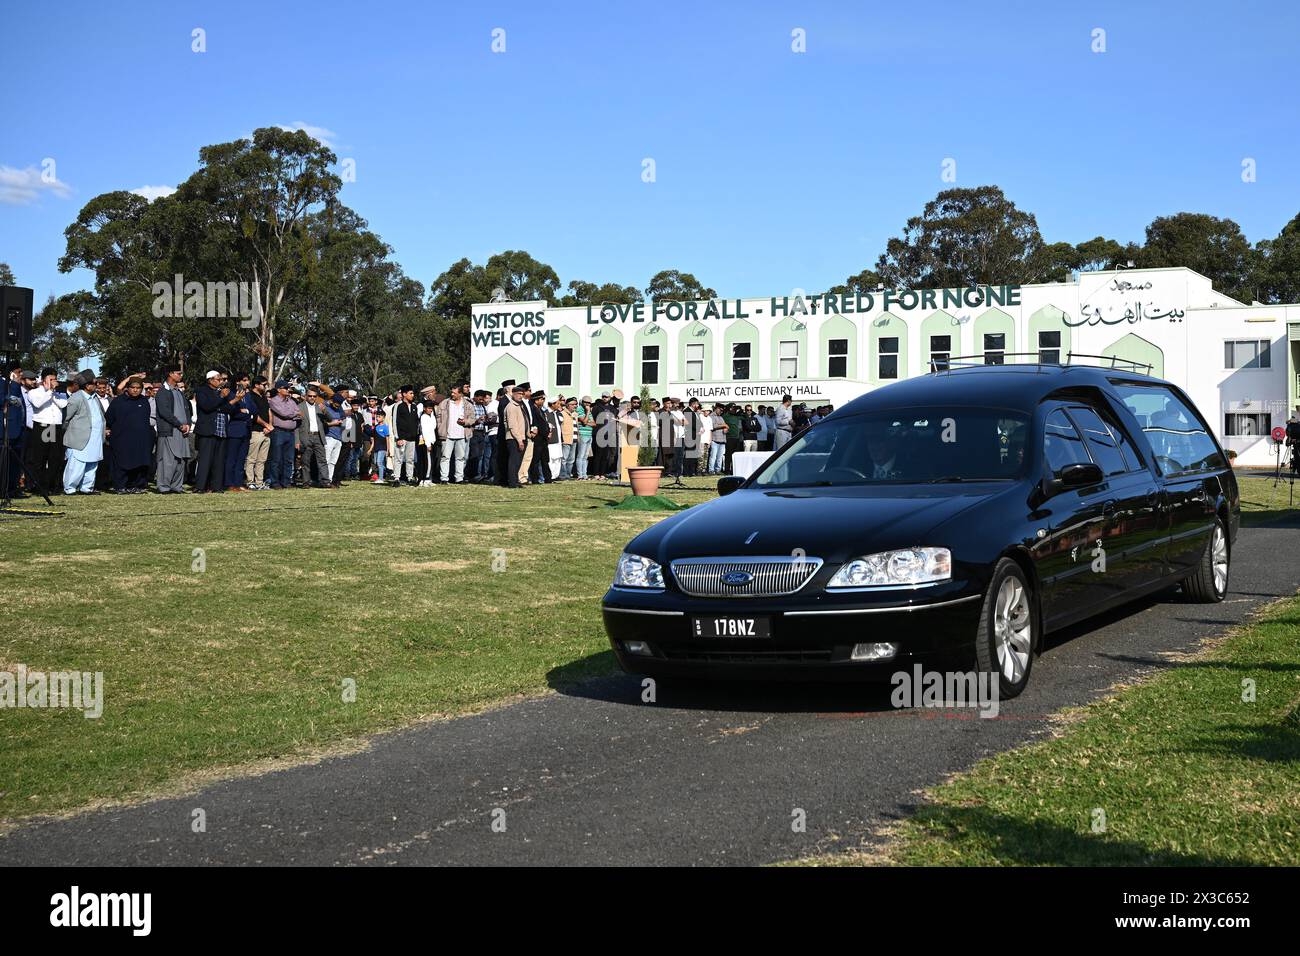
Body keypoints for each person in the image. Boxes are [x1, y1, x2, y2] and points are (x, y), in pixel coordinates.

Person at [193, 370, 240, 493]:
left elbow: (226, 409)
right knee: (205, 460)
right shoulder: (202, 391)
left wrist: (235, 400)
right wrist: (221, 397)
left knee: (219, 461)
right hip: (207, 430)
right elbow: (207, 406)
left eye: (222, 380)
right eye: (219, 379)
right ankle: (200, 486)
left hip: (221, 429)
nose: (221, 382)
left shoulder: (220, 392)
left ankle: (217, 486)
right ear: (210, 380)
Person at [105, 376, 153, 493]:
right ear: (128, 388)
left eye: (138, 388)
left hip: (141, 439)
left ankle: (137, 485)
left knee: (140, 463)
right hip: (122, 438)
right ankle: (120, 486)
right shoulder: (118, 401)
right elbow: (109, 418)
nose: (135, 390)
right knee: (122, 462)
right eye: (133, 387)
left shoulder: (144, 401)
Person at [61, 369, 104, 495]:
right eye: (95, 383)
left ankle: (87, 487)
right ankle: (70, 488)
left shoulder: (95, 398)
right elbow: (66, 418)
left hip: (95, 437)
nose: (97, 386)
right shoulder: (76, 398)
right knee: (76, 464)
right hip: (79, 438)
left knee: (92, 463)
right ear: (87, 385)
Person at [23, 368, 65, 496]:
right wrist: (48, 391)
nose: (53, 382)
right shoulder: (35, 392)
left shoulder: (58, 393)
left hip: (55, 427)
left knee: (55, 458)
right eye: (50, 379)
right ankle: (39, 486)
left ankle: (52, 485)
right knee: (41, 458)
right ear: (44, 380)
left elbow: (63, 404)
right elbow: (38, 403)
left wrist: (53, 392)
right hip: (43, 426)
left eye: (54, 379)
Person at [154, 366, 192, 494]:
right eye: (178, 373)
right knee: (167, 459)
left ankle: (177, 486)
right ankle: (164, 486)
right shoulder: (162, 392)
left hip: (182, 431)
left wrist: (188, 424)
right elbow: (165, 412)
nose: (181, 375)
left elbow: (187, 410)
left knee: (180, 460)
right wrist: (179, 425)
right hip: (170, 430)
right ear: (170, 374)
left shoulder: (179, 391)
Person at [222, 374, 253, 492]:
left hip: (246, 430)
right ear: (237, 382)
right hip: (235, 430)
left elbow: (254, 410)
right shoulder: (230, 394)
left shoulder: (248, 395)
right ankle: (229, 483)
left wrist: (247, 411)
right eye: (244, 380)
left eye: (247, 380)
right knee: (232, 458)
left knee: (241, 459)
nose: (247, 382)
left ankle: (239, 483)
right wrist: (242, 412)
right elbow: (232, 411)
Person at [267, 380, 301, 489]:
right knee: (276, 459)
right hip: (279, 432)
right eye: (285, 388)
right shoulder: (274, 401)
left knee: (289, 459)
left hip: (291, 433)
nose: (287, 390)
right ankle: (275, 482)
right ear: (278, 390)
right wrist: (294, 414)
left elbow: (299, 414)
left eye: (288, 388)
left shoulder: (292, 401)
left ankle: (286, 482)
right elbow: (284, 414)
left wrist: (293, 415)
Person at [437, 385, 472, 484]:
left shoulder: (467, 405)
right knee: (445, 457)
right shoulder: (444, 403)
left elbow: (472, 418)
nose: (452, 394)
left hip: (462, 435)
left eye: (454, 393)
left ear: (460, 394)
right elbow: (438, 418)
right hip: (447, 435)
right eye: (451, 392)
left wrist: (466, 421)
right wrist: (440, 429)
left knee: (460, 458)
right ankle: (444, 478)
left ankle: (459, 478)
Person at [296, 387, 330, 488]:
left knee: (322, 460)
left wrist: (325, 411)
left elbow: (330, 419)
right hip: (305, 436)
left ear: (316, 397)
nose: (312, 398)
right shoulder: (299, 407)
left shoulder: (320, 407)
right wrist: (297, 440)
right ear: (306, 396)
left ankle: (325, 481)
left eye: (314, 396)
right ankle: (306, 482)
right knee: (305, 461)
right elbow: (296, 426)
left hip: (318, 436)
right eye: (309, 396)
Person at [244, 376, 273, 489]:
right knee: (252, 458)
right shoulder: (250, 396)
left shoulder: (264, 397)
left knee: (262, 459)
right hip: (255, 431)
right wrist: (266, 425)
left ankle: (259, 482)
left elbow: (268, 411)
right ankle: (250, 481)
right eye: (264, 384)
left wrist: (270, 426)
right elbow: (254, 415)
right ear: (256, 385)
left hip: (266, 432)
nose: (266, 387)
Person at [392, 386, 420, 486]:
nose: (412, 395)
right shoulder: (398, 405)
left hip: (412, 438)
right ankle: (396, 478)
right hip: (401, 437)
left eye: (413, 393)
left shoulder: (414, 406)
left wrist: (416, 435)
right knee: (399, 458)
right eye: (410, 393)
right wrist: (398, 437)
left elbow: (416, 422)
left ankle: (410, 477)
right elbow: (395, 421)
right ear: (404, 394)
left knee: (410, 459)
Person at [504, 384, 530, 488]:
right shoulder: (511, 407)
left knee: (518, 461)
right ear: (513, 394)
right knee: (514, 461)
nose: (520, 396)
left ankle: (515, 480)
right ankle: (512, 482)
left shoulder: (520, 405)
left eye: (522, 394)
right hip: (514, 438)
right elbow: (513, 426)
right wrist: (519, 440)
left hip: (522, 437)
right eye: (518, 394)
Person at [418, 400, 438, 486]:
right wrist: (428, 444)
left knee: (430, 460)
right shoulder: (424, 417)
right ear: (424, 409)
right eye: (429, 408)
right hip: (426, 442)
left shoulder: (431, 416)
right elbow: (425, 431)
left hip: (431, 441)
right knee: (427, 461)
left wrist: (432, 415)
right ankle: (425, 479)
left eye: (431, 408)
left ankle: (428, 479)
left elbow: (434, 426)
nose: (430, 410)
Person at [574, 396, 594, 479]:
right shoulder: (579, 409)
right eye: (586, 402)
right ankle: (580, 475)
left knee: (586, 457)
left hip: (589, 435)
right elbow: (585, 421)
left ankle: (584, 475)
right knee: (580, 456)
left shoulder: (588, 411)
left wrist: (587, 422)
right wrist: (588, 412)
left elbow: (594, 424)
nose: (587, 404)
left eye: (589, 403)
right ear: (582, 402)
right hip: (582, 434)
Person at [368, 409, 390, 482]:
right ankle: (387, 472)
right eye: (377, 417)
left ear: (383, 417)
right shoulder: (375, 427)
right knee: (376, 463)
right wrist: (370, 449)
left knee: (379, 462)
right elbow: (373, 440)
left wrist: (388, 450)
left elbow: (387, 439)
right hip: (376, 448)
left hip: (382, 448)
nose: (377, 418)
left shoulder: (385, 427)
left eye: (379, 417)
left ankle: (381, 478)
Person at [708, 404, 728, 474]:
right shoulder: (711, 416)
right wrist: (724, 425)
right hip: (715, 439)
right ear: (716, 408)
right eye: (720, 410)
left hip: (722, 439)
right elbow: (713, 426)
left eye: (722, 410)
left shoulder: (721, 417)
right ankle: (711, 470)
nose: (721, 411)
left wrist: (726, 429)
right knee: (713, 456)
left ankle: (718, 470)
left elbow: (726, 427)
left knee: (720, 457)